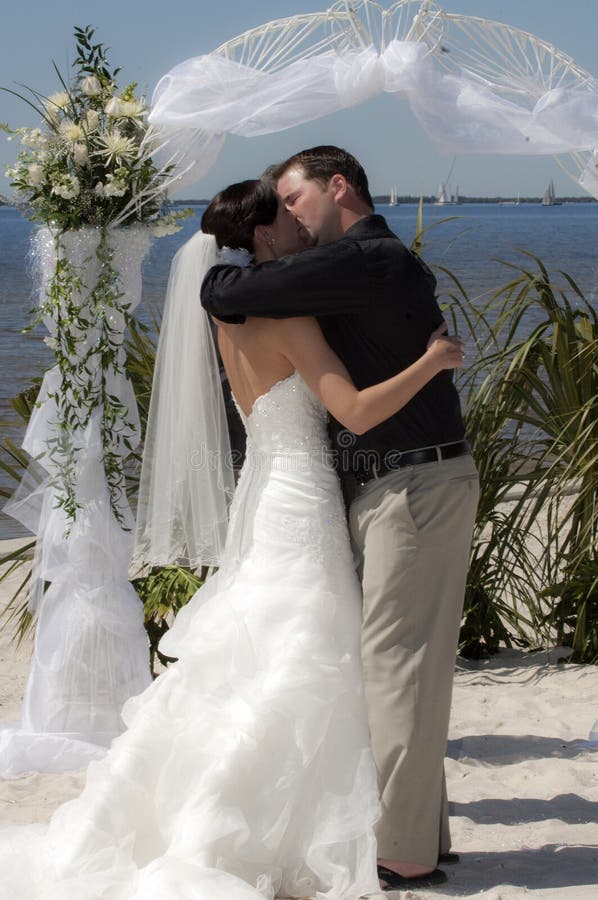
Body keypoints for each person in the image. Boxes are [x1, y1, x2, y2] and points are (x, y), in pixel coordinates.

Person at [0, 179, 464, 900]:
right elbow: (354, 412)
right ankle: (274, 826)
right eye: (286, 215)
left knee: (258, 649)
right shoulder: (290, 319)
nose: (300, 225)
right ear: (265, 234)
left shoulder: (228, 320)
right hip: (303, 499)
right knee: (304, 649)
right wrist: (431, 362)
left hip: (266, 493)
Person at [201, 148, 480, 891]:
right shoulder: (332, 274)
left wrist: (217, 277)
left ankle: (406, 850)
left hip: (412, 482)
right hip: (372, 486)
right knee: (400, 667)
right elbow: (243, 291)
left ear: (338, 186)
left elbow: (239, 290)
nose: (292, 216)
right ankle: (421, 836)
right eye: (280, 209)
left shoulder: (365, 258)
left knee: (395, 665)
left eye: (296, 198)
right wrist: (221, 278)